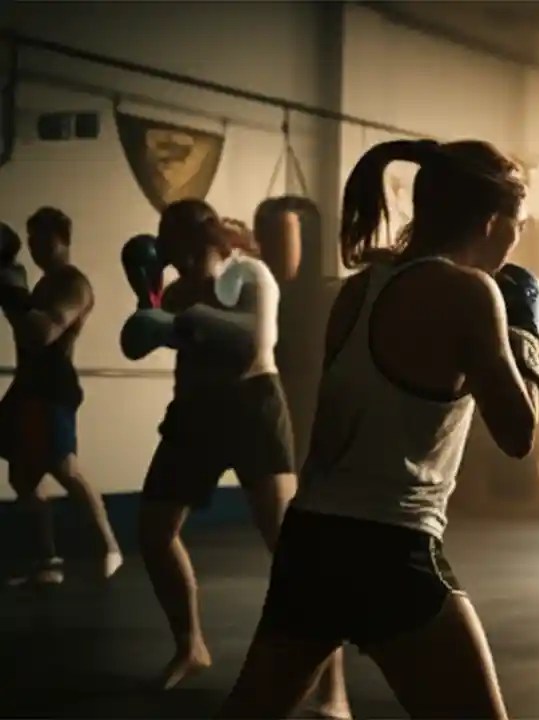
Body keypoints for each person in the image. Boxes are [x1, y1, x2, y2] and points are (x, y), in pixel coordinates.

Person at [218, 138, 539, 720]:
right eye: (518, 224)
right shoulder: (471, 293)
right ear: (494, 222)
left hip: (311, 536)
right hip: (388, 548)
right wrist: (528, 329)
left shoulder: (358, 289)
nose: (516, 238)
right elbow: (518, 435)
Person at [122, 200, 349, 716]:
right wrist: (147, 298)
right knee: (153, 532)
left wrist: (182, 320)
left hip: (252, 409)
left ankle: (334, 684)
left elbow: (253, 343)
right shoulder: (175, 290)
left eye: (185, 253)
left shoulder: (251, 276)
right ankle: (190, 645)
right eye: (171, 257)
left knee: (291, 550)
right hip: (195, 414)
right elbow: (135, 343)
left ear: (208, 243)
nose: (181, 266)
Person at [0, 208, 122, 586]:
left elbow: (43, 333)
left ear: (64, 239)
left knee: (65, 468)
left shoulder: (73, 284)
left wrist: (11, 291)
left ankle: (109, 547)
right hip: (27, 385)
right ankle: (47, 560)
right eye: (31, 240)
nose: (36, 248)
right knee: (22, 476)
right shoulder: (39, 284)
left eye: (43, 240)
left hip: (53, 387)